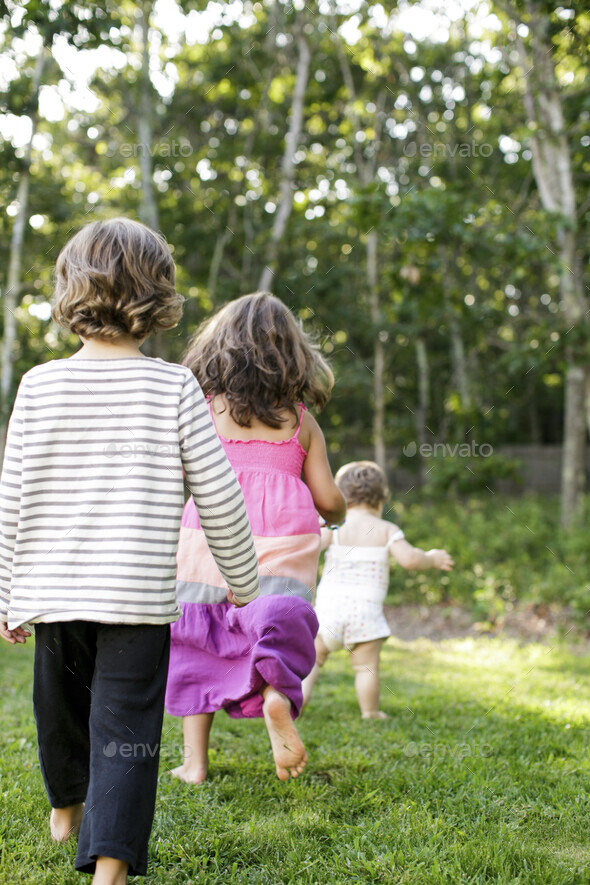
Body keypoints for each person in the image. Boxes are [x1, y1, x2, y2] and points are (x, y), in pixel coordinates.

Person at [0, 218, 260, 885]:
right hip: (135, 598)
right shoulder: (172, 387)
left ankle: (67, 808)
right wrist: (242, 580)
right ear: (158, 298)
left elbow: (12, 501)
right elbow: (220, 495)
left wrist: (8, 593)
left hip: (55, 590)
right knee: (126, 731)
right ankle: (107, 865)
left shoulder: (38, 385)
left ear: (69, 291)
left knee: (56, 706)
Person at [165, 291, 346, 784]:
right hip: (283, 545)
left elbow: (180, 472)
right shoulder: (300, 422)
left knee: (195, 641)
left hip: (209, 538)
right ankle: (275, 696)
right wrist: (340, 514)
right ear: (292, 355)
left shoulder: (204, 411)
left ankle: (195, 764)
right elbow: (328, 500)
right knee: (277, 630)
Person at [302, 460, 454, 719]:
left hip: (329, 609)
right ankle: (370, 712)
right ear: (382, 500)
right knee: (366, 668)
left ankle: (296, 706)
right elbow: (410, 559)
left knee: (312, 662)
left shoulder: (335, 525)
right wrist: (431, 558)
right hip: (365, 615)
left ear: (341, 496)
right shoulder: (387, 530)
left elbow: (311, 546)